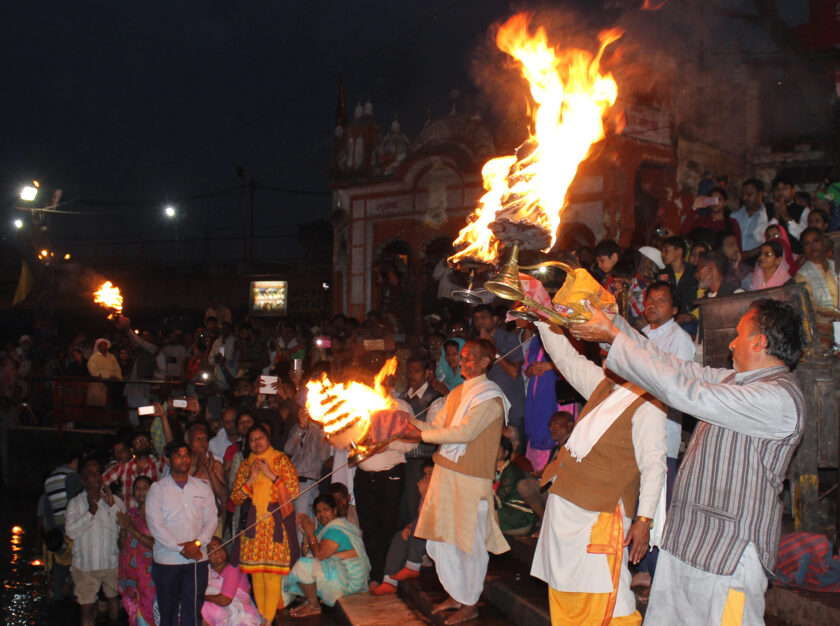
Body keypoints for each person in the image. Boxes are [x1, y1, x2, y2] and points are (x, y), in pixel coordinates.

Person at [569, 298, 806, 625]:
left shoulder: (778, 398)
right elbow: (671, 366)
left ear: (760, 341)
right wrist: (613, 327)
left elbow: (687, 393)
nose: (732, 344)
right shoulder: (733, 381)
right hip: (689, 542)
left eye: (738, 335)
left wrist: (614, 335)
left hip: (729, 555)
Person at [532, 319, 667, 626]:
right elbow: (566, 358)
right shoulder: (604, 385)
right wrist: (540, 317)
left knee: (610, 602)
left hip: (601, 516)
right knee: (565, 592)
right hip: (565, 507)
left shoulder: (648, 401)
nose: (606, 356)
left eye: (613, 349)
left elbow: (654, 465)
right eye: (606, 349)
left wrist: (644, 520)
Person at [400, 338, 510, 625]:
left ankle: (470, 603)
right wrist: (409, 424)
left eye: (470, 357)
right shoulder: (457, 393)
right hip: (445, 473)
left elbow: (464, 433)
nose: (463, 362)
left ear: (487, 361)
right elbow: (438, 429)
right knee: (439, 542)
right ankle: (457, 593)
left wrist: (421, 434)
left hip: (471, 481)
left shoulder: (491, 398)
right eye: (462, 357)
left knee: (468, 545)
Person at [230, 423, 300, 623]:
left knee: (271, 574)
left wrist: (272, 476)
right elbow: (235, 498)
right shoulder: (245, 465)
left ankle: (267, 620)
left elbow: (294, 491)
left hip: (274, 525)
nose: (256, 442)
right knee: (257, 575)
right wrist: (251, 479)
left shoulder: (281, 460)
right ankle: (262, 617)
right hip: (252, 527)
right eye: (252, 439)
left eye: (260, 437)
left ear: (268, 439)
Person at [145, 440, 219, 626]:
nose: (183, 459)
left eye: (187, 455)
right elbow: (156, 526)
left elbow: (211, 520)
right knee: (167, 611)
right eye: (178, 455)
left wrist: (196, 544)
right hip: (167, 560)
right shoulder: (157, 490)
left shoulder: (202, 487)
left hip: (196, 560)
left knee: (193, 611)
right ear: (168, 460)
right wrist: (182, 548)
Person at [285, 494, 370, 617]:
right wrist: (306, 534)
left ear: (334, 510)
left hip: (351, 578)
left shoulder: (337, 528)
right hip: (338, 573)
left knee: (302, 567)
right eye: (318, 511)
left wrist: (311, 534)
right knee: (301, 567)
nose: (321, 514)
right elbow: (307, 555)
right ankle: (311, 601)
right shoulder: (323, 529)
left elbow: (319, 555)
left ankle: (314, 605)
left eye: (326, 510)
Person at [65, 458, 125, 626]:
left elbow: (124, 528)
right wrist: (90, 512)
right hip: (85, 565)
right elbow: (71, 532)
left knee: (114, 601)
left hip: (111, 562)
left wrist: (112, 507)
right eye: (91, 474)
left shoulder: (113, 501)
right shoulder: (75, 504)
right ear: (83, 481)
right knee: (87, 608)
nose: (97, 477)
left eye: (98, 473)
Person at [473, 304, 526, 446]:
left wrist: (494, 350)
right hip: (491, 411)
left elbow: (514, 373)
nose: (480, 322)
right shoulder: (475, 345)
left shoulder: (509, 339)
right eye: (476, 319)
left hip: (513, 409)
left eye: (483, 317)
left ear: (495, 319)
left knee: (516, 456)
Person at [400, 355, 443, 523]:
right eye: (409, 371)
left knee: (416, 509)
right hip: (402, 460)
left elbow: (435, 434)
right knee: (403, 508)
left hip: (421, 461)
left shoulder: (435, 399)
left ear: (427, 373)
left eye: (416, 371)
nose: (412, 375)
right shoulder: (402, 398)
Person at [116, 476, 156, 626]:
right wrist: (122, 531)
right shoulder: (130, 514)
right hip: (131, 574)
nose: (141, 491)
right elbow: (121, 545)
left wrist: (132, 528)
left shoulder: (157, 515)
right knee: (135, 612)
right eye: (137, 488)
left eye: (145, 487)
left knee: (151, 612)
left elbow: (157, 545)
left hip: (150, 575)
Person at [201, 536, 262, 626]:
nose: (217, 552)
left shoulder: (232, 569)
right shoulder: (208, 570)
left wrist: (202, 597)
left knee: (205, 608)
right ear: (206, 556)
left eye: (219, 547)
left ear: (225, 549)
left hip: (241, 612)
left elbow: (225, 600)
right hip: (222, 609)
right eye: (211, 550)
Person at [284, 403, 330, 518]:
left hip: (308, 483)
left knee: (302, 521)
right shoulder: (296, 427)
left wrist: (322, 431)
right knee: (289, 521)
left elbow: (324, 455)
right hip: (291, 481)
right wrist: (301, 427)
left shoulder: (324, 430)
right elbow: (288, 449)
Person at [102, 431, 166, 507]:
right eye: (138, 441)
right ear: (132, 449)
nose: (142, 442)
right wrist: (113, 501)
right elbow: (99, 482)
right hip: (129, 516)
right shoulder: (122, 467)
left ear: (150, 445)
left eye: (145, 440)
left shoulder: (158, 465)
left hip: (153, 515)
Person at [494, 436, 537, 536]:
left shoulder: (511, 470)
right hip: (505, 509)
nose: (493, 450)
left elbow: (499, 500)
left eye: (498, 447)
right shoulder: (493, 469)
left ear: (506, 453)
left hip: (518, 514)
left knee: (484, 517)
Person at [731, 178, 776, 260]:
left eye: (749, 194)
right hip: (735, 260)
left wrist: (748, 254)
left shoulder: (768, 216)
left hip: (758, 261)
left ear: (760, 194)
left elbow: (772, 242)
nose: (745, 197)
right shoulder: (734, 217)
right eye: (743, 194)